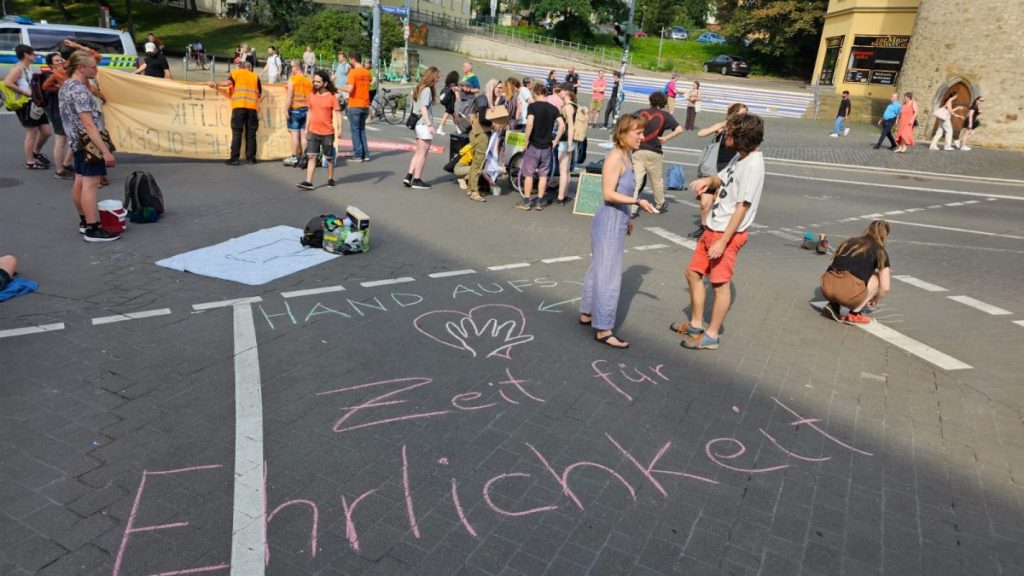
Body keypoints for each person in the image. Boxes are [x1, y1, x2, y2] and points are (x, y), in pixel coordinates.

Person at [675, 114, 765, 350]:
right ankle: (696, 324)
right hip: (713, 227)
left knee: (719, 284)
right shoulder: (740, 157)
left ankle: (711, 336)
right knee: (693, 273)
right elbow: (721, 178)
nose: (725, 135)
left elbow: (742, 208)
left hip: (727, 233)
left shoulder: (753, 165)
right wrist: (708, 181)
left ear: (741, 138)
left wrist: (723, 242)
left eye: (730, 132)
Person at [578, 114, 656, 349]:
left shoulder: (627, 155)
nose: (642, 137)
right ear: (623, 133)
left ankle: (587, 313)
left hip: (617, 218)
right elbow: (608, 193)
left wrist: (628, 217)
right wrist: (636, 202)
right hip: (609, 219)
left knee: (598, 268)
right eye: (638, 133)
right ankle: (603, 329)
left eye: (642, 132)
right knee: (609, 274)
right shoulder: (615, 157)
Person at [59, 50, 119, 241]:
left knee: (80, 181)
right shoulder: (79, 91)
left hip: (76, 141)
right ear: (80, 68)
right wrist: (105, 151)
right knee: (90, 185)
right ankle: (93, 227)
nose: (96, 69)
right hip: (88, 143)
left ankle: (85, 222)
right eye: (93, 67)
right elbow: (88, 124)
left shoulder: (66, 86)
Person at [690, 103, 748, 239]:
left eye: (745, 114)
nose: (743, 116)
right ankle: (704, 229)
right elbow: (700, 133)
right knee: (705, 204)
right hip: (714, 168)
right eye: (740, 113)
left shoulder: (744, 131)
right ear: (733, 114)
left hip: (732, 168)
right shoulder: (723, 126)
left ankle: (718, 231)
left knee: (722, 203)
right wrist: (720, 126)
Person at [819, 220, 892, 325]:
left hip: (827, 286)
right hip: (846, 292)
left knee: (845, 270)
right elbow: (885, 287)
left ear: (868, 229)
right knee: (877, 278)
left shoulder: (849, 241)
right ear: (885, 235)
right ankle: (855, 314)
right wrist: (875, 300)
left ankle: (833, 305)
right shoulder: (880, 251)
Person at [633, 91, 683, 214]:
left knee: (636, 180)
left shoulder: (640, 112)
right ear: (663, 103)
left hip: (638, 149)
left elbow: (628, 124)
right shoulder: (664, 115)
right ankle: (660, 203)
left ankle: (632, 207)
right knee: (656, 179)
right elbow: (679, 129)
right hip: (654, 150)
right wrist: (666, 138)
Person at [516, 83, 564, 210]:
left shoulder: (532, 107)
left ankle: (526, 201)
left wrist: (526, 141)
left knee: (529, 174)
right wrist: (556, 140)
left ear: (536, 94)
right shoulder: (553, 108)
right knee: (543, 175)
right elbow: (562, 125)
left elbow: (530, 123)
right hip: (547, 146)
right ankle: (539, 201)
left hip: (534, 145)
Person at [5, 45, 52, 170]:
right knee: (31, 133)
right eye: (33, 54)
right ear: (26, 55)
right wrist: (26, 93)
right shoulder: (18, 68)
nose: (35, 56)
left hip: (35, 103)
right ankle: (30, 162)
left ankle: (35, 152)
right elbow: (8, 82)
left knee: (46, 131)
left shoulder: (28, 68)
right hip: (26, 103)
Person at [209, 60, 262, 165]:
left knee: (237, 132)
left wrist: (215, 84)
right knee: (251, 134)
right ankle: (251, 158)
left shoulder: (236, 73)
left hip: (239, 106)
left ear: (241, 67)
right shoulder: (255, 77)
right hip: (252, 108)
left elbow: (227, 83)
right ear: (250, 68)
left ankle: (235, 158)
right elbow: (259, 94)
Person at [297, 70, 342, 190]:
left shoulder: (332, 97)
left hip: (327, 133)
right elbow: (310, 112)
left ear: (325, 83)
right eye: (314, 81)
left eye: (318, 81)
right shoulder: (311, 95)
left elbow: (337, 114)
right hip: (313, 131)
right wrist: (306, 127)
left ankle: (330, 178)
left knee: (329, 158)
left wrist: (340, 128)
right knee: (311, 157)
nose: (315, 83)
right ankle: (308, 182)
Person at [404, 66, 440, 190]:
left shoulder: (419, 88)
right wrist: (429, 125)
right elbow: (423, 108)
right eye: (437, 77)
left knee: (418, 152)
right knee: (423, 153)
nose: (438, 79)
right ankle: (417, 179)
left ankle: (409, 176)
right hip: (424, 124)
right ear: (432, 76)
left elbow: (414, 107)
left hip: (418, 124)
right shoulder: (427, 91)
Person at [465, 78, 499, 203]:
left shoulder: (488, 99)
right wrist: (493, 125)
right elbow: (482, 119)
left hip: (481, 133)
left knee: (477, 162)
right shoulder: (483, 99)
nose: (500, 90)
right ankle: (474, 191)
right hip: (480, 134)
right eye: (498, 88)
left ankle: (471, 187)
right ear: (492, 87)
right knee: (478, 162)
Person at [41, 52, 74, 179]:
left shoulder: (65, 73)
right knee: (61, 141)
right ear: (51, 64)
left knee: (74, 137)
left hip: (67, 110)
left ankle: (66, 163)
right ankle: (59, 170)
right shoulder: (52, 75)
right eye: (56, 61)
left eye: (61, 60)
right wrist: (60, 87)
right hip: (57, 111)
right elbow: (46, 87)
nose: (60, 62)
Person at [339, 52, 371, 162]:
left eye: (350, 60)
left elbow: (350, 89)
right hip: (365, 105)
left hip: (355, 104)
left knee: (355, 131)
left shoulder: (353, 72)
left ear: (353, 60)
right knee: (362, 130)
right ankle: (365, 154)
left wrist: (338, 87)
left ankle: (357, 155)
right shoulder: (367, 72)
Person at [552, 83, 577, 207]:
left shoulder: (567, 107)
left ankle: (560, 197)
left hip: (565, 141)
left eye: (560, 90)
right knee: (566, 170)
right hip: (569, 141)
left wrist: (569, 142)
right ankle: (564, 194)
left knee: (563, 170)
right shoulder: (574, 105)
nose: (558, 92)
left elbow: (570, 126)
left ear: (566, 92)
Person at [283, 60, 311, 166]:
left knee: (295, 134)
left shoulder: (293, 79)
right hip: (306, 110)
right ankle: (305, 157)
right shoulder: (308, 81)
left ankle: (294, 157)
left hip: (295, 109)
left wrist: (286, 109)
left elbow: (289, 96)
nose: (291, 69)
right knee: (304, 134)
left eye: (292, 67)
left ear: (297, 67)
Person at [437, 70, 460, 136]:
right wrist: (459, 92)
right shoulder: (454, 84)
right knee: (447, 113)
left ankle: (458, 129)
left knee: (453, 114)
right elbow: (456, 90)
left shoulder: (448, 82)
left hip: (447, 99)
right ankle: (440, 128)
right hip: (450, 99)